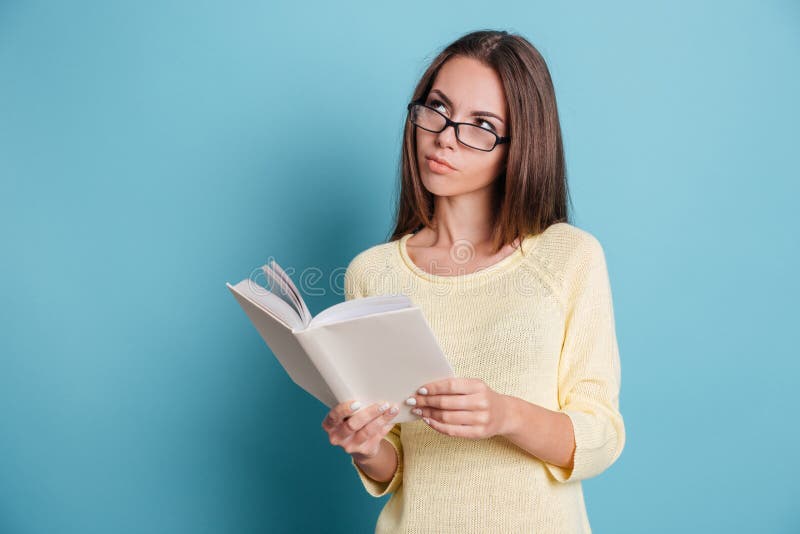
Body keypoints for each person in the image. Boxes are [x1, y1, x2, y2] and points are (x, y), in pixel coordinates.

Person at [321, 29, 625, 533]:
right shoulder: (372, 274)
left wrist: (504, 415)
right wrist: (366, 447)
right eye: (437, 108)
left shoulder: (569, 257)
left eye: (481, 125)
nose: (444, 136)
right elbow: (396, 465)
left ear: (519, 145)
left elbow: (600, 437)